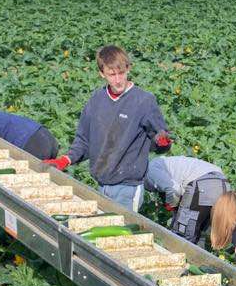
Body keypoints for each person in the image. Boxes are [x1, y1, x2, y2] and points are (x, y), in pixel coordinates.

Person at [48, 44, 170, 212]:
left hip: (128, 186)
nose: (118, 80)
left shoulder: (144, 101)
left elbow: (159, 139)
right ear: (102, 73)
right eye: (112, 75)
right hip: (101, 183)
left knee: (123, 228)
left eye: (122, 73)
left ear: (128, 68)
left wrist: (163, 142)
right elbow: (84, 140)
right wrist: (65, 160)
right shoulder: (96, 100)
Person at [146, 154, 230, 244]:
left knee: (182, 233)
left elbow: (174, 190)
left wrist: (171, 206)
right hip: (223, 183)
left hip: (203, 183)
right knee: (200, 232)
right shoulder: (165, 163)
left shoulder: (150, 170)